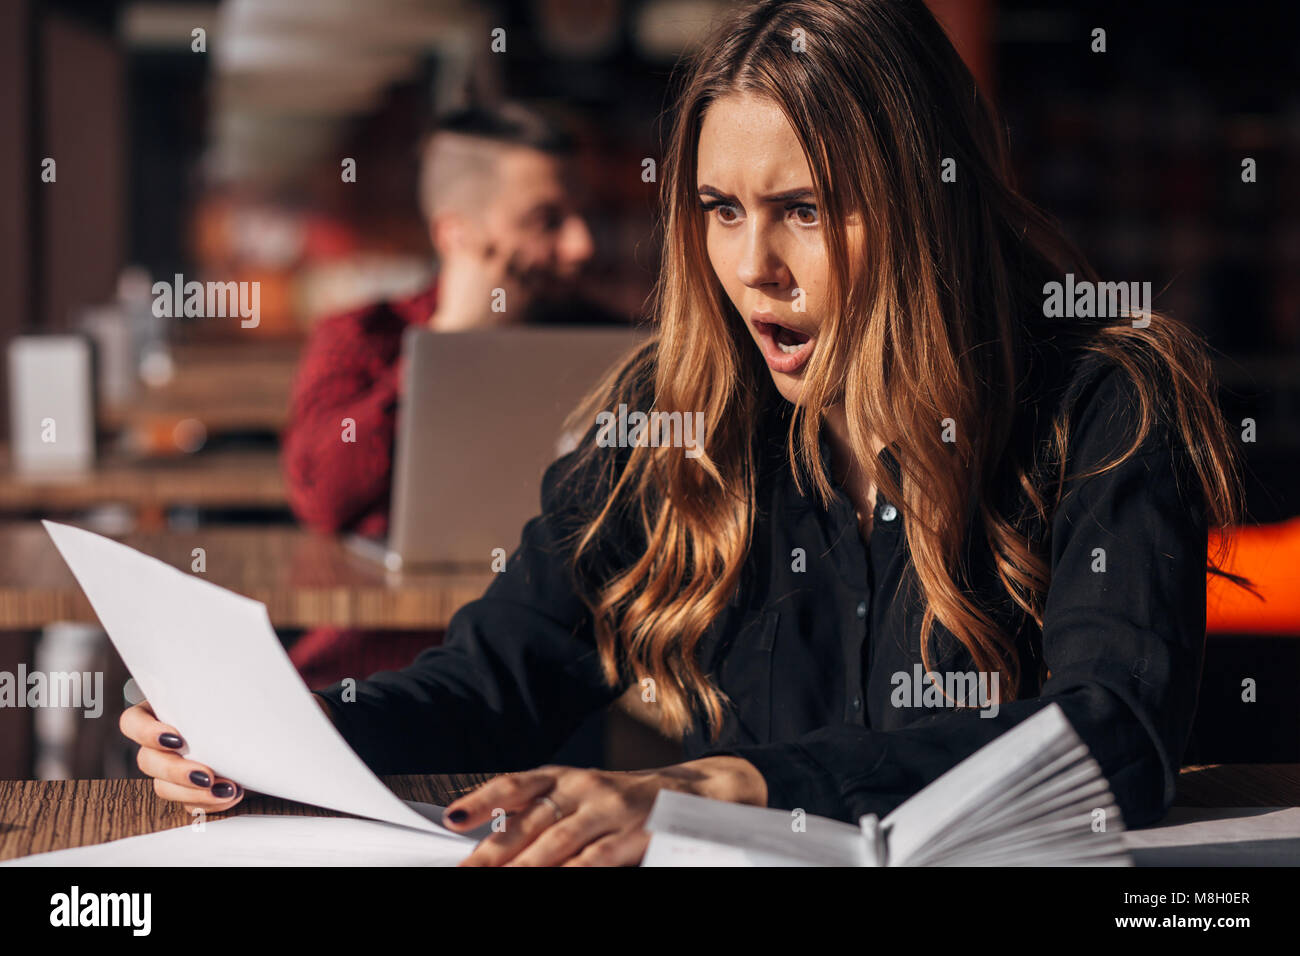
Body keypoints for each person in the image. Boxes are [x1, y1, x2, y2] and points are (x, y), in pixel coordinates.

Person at [122, 0, 1245, 866]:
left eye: (804, 208)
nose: (752, 267)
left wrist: (726, 785)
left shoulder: (1102, 402)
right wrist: (275, 737)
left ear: (923, 201)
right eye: (720, 211)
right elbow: (493, 677)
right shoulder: (675, 417)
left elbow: (1110, 739)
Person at [282, 102, 606, 689]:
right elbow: (320, 497)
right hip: (394, 644)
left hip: (568, 646)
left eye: (582, 216)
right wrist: (453, 340)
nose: (582, 244)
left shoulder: (611, 342)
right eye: (547, 219)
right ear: (457, 234)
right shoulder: (363, 337)